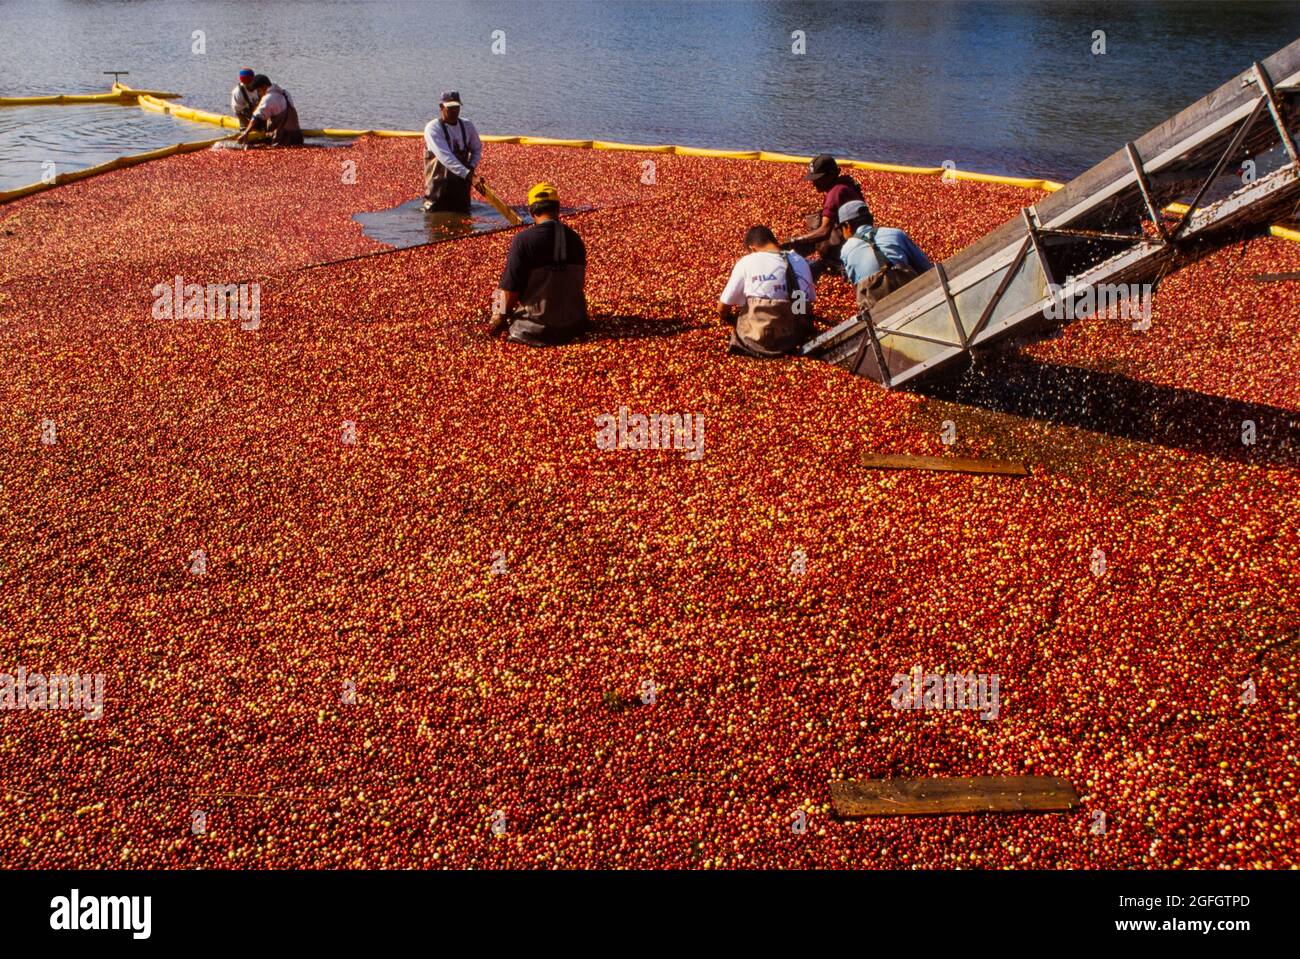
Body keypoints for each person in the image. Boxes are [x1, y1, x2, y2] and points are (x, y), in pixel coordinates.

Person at [490, 183, 588, 346]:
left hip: (535, 330)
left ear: (532, 211)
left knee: (498, 295)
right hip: (576, 326)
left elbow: (509, 291)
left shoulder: (523, 240)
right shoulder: (575, 239)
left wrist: (497, 317)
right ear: (558, 209)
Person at [718, 225, 816, 358]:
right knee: (798, 299)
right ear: (775, 242)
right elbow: (806, 303)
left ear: (752, 249)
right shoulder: (800, 261)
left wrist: (729, 318)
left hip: (757, 338)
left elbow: (723, 308)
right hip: (795, 337)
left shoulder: (747, 262)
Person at [836, 199, 933, 313]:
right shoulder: (895, 233)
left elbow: (857, 285)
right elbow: (925, 267)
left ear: (847, 225)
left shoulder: (846, 250)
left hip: (880, 311)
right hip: (915, 299)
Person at [783, 154, 865, 279]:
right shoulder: (847, 184)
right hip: (861, 245)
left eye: (817, 179)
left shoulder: (835, 194)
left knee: (797, 275)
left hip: (847, 253)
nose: (813, 184)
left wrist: (794, 241)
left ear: (831, 174)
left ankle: (834, 264)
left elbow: (824, 231)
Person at [423, 91, 483, 214]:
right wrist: (470, 176)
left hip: (461, 191)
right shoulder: (433, 128)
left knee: (464, 216)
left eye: (457, 107)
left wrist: (471, 167)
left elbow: (477, 149)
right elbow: (446, 157)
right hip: (437, 192)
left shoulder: (467, 126)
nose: (454, 111)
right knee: (435, 220)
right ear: (441, 107)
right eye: (450, 108)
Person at [234, 75, 303, 146]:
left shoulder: (268, 99)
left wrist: (246, 133)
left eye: (258, 90)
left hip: (282, 138)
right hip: (297, 136)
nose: (259, 93)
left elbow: (255, 118)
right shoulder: (285, 92)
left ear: (264, 86)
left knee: (252, 143)